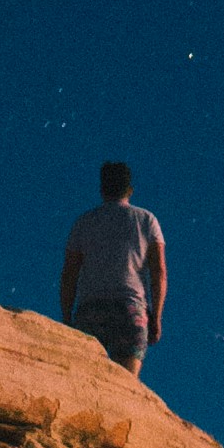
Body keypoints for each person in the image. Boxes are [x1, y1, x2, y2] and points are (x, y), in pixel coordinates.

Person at [60, 160, 166, 378]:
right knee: (126, 386)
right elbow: (159, 272)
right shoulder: (147, 220)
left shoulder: (84, 223)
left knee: (86, 383)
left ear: (102, 189)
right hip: (130, 310)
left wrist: (66, 317)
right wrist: (156, 316)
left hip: (91, 310)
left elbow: (70, 274)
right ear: (130, 190)